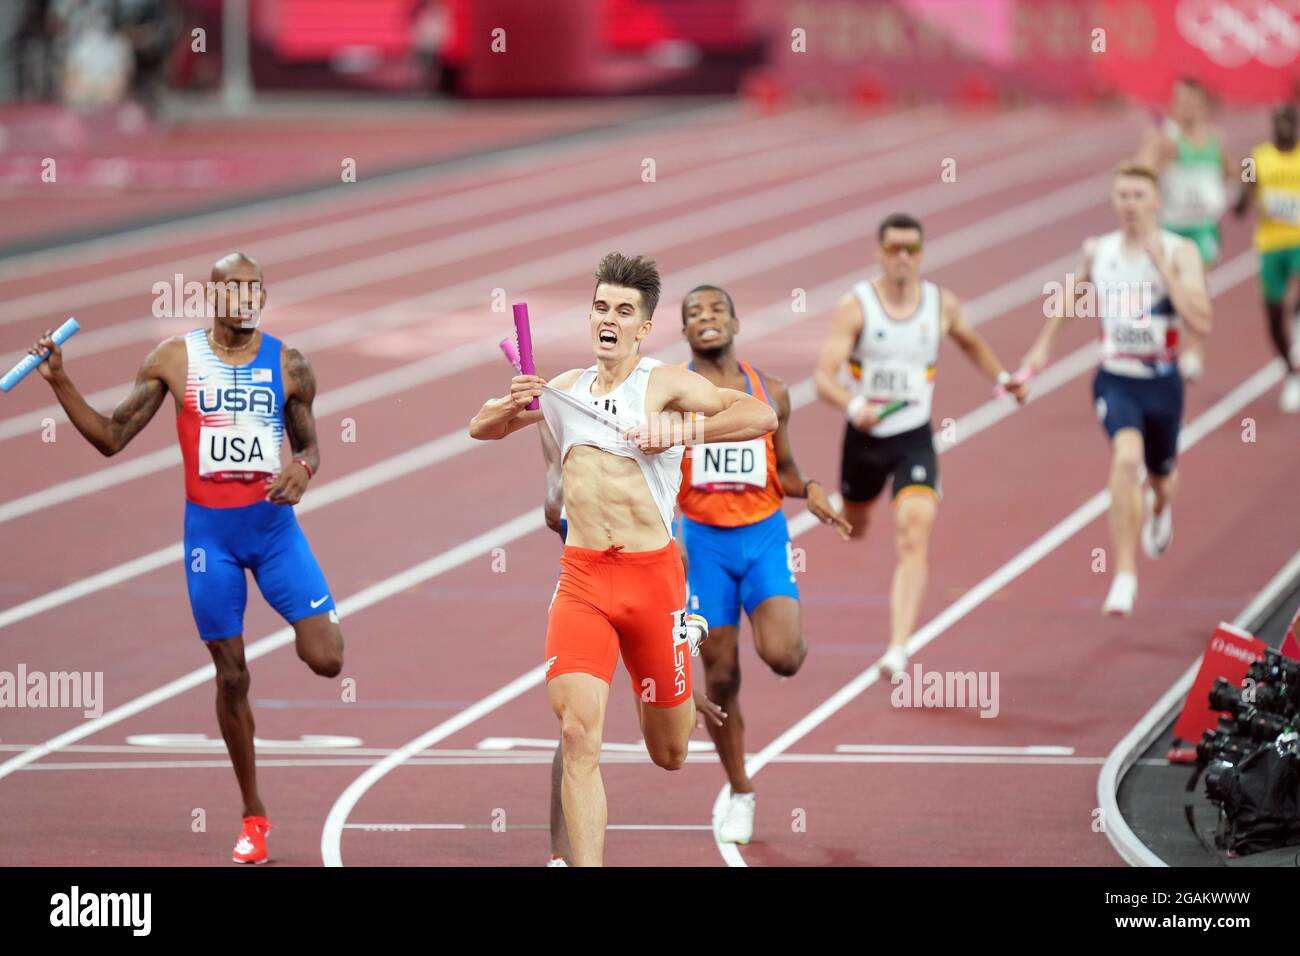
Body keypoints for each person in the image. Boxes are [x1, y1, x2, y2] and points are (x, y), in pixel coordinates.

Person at [27, 252, 344, 864]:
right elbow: (111, 437)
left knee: (327, 660)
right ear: (213, 297)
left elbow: (308, 442)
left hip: (274, 531)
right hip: (211, 541)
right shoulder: (175, 360)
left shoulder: (290, 364)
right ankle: (255, 817)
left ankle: (315, 618)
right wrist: (62, 379)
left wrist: (302, 469)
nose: (248, 299)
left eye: (258, 289)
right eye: (237, 289)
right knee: (232, 677)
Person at [469, 252, 776, 866]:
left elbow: (759, 414)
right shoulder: (563, 391)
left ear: (643, 328)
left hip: (653, 580)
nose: (610, 319)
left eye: (624, 311)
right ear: (590, 318)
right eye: (601, 308)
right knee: (579, 735)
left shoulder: (661, 385)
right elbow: (482, 427)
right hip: (583, 579)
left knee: (670, 752)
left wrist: (682, 431)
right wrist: (512, 404)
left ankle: (671, 659)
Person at [814, 213, 1028, 675]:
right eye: (894, 249)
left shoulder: (940, 304)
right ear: (879, 252)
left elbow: (969, 342)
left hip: (914, 436)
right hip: (865, 439)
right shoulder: (856, 307)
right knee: (856, 524)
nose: (903, 258)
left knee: (914, 532)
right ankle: (856, 507)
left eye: (912, 249)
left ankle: (898, 647)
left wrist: (1004, 378)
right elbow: (822, 378)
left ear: (922, 254)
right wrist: (854, 407)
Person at [675, 284, 849, 845]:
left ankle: (787, 633)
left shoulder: (770, 392)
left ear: (735, 322)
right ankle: (741, 789)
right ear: (684, 332)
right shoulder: (672, 395)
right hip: (704, 546)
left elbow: (787, 468)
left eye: (716, 310)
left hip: (764, 537)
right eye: (694, 313)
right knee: (720, 676)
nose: (706, 319)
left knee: (784, 657)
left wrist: (814, 488)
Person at [1022, 163, 1212, 615]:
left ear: (1156, 201)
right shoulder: (1098, 251)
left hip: (1163, 384)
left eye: (1138, 196)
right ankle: (1124, 575)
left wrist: (1162, 267)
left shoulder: (1180, 251)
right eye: (1122, 196)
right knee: (1126, 459)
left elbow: (1201, 320)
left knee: (1162, 478)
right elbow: (1068, 298)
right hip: (1115, 378)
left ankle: (1161, 508)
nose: (1129, 204)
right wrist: (1040, 349)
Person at [537, 424, 725, 866]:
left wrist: (676, 662)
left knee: (670, 752)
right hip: (585, 594)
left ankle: (673, 682)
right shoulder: (569, 456)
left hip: (650, 604)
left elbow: (684, 586)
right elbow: (550, 469)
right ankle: (563, 858)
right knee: (575, 732)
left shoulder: (657, 510)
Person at [1136, 76, 1230, 381]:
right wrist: (1155, 153)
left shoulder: (1215, 138)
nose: (1185, 107)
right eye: (1179, 101)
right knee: (1169, 290)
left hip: (1204, 229)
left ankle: (1194, 350)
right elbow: (1139, 172)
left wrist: (1250, 185)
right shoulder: (1164, 138)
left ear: (1202, 104)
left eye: (1191, 101)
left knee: (1197, 286)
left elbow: (1234, 169)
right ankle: (1170, 345)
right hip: (1171, 228)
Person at [1234, 102, 1300, 413]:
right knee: (1274, 315)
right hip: (1270, 244)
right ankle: (1292, 374)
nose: (1286, 130)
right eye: (1280, 124)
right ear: (1272, 127)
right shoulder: (1257, 158)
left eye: (1292, 124)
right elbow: (1240, 204)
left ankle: (1299, 324)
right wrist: (1243, 195)